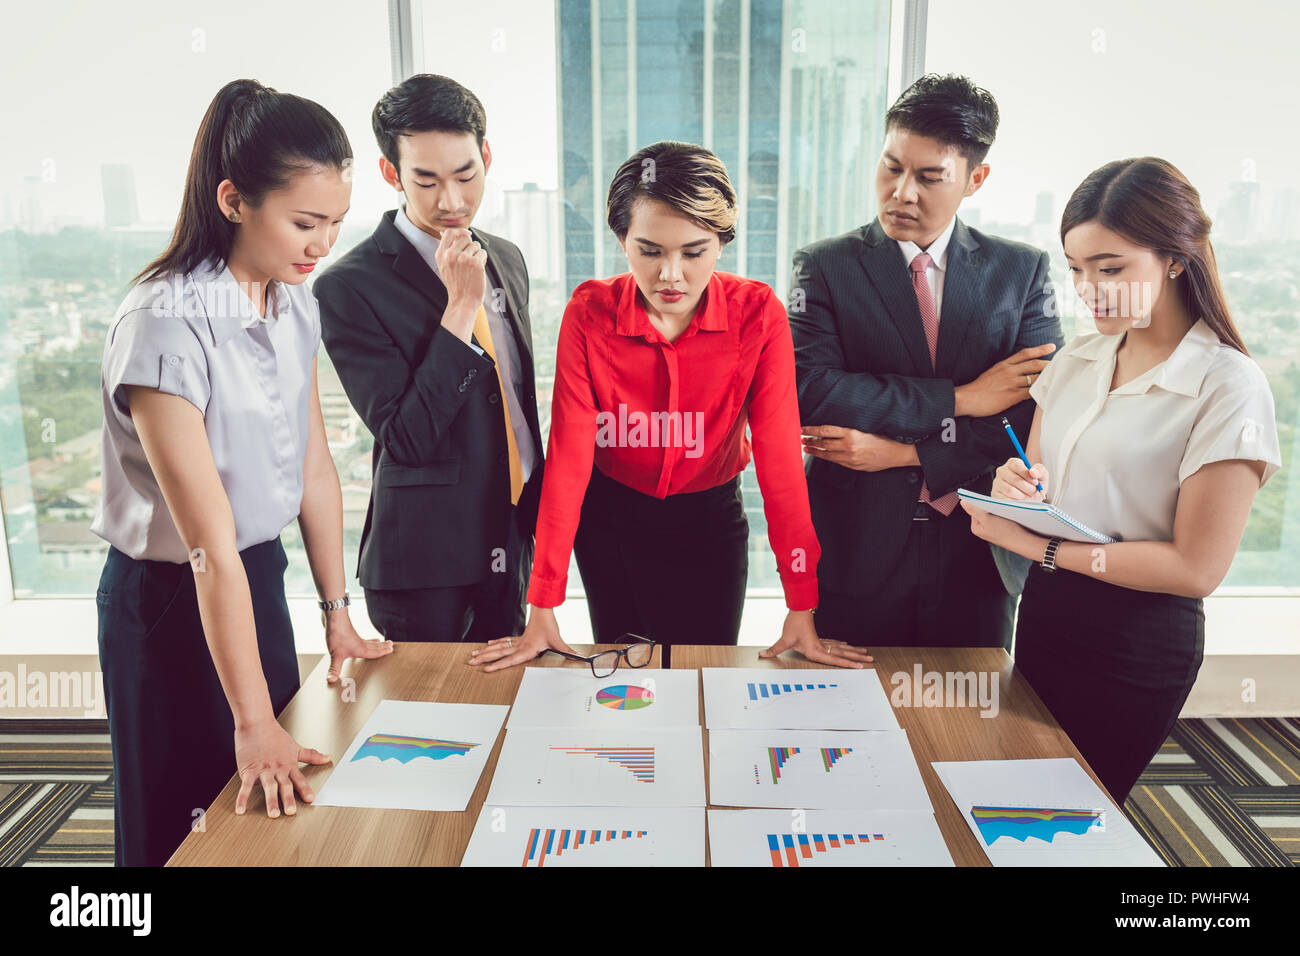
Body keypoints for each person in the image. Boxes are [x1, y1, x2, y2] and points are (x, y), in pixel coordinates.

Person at [91, 79, 393, 866]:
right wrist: (252, 719)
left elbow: (313, 467)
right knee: (179, 826)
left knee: (266, 816)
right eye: (303, 222)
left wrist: (337, 613)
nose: (321, 245)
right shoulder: (164, 321)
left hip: (253, 580)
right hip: (168, 600)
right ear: (232, 200)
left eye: (333, 223)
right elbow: (205, 546)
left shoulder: (293, 302)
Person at [470, 142, 873, 672]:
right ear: (622, 240)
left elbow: (780, 465)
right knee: (625, 687)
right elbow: (569, 458)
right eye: (650, 250)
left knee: (704, 682)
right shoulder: (588, 313)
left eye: (693, 251)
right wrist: (542, 603)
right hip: (610, 524)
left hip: (710, 526)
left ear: (722, 243)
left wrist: (801, 602)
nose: (671, 275)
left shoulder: (759, 315)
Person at [963, 156, 1283, 805]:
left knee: (1076, 813)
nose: (1089, 289)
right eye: (1078, 270)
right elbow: (1040, 479)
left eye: (1110, 269)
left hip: (1139, 641)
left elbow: (1196, 568)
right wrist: (1013, 487)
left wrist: (1039, 547)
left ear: (1173, 257)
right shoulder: (1077, 358)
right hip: (1050, 615)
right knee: (1019, 800)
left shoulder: (1228, 385)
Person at [791, 73, 1064, 649]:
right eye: (891, 167)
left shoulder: (1022, 272)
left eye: (929, 177)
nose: (902, 192)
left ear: (975, 179)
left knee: (971, 726)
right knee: (845, 726)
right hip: (855, 547)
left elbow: (1033, 417)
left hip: (978, 546)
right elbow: (811, 391)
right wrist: (962, 399)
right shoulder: (823, 266)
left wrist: (904, 452)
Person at [315, 74, 545, 643]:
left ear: (486, 156)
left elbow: (514, 403)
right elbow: (409, 437)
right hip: (423, 564)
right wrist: (461, 306)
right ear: (391, 173)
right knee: (428, 728)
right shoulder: (349, 286)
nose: (452, 201)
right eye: (427, 180)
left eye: (466, 175)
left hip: (510, 541)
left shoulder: (507, 257)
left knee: (508, 716)